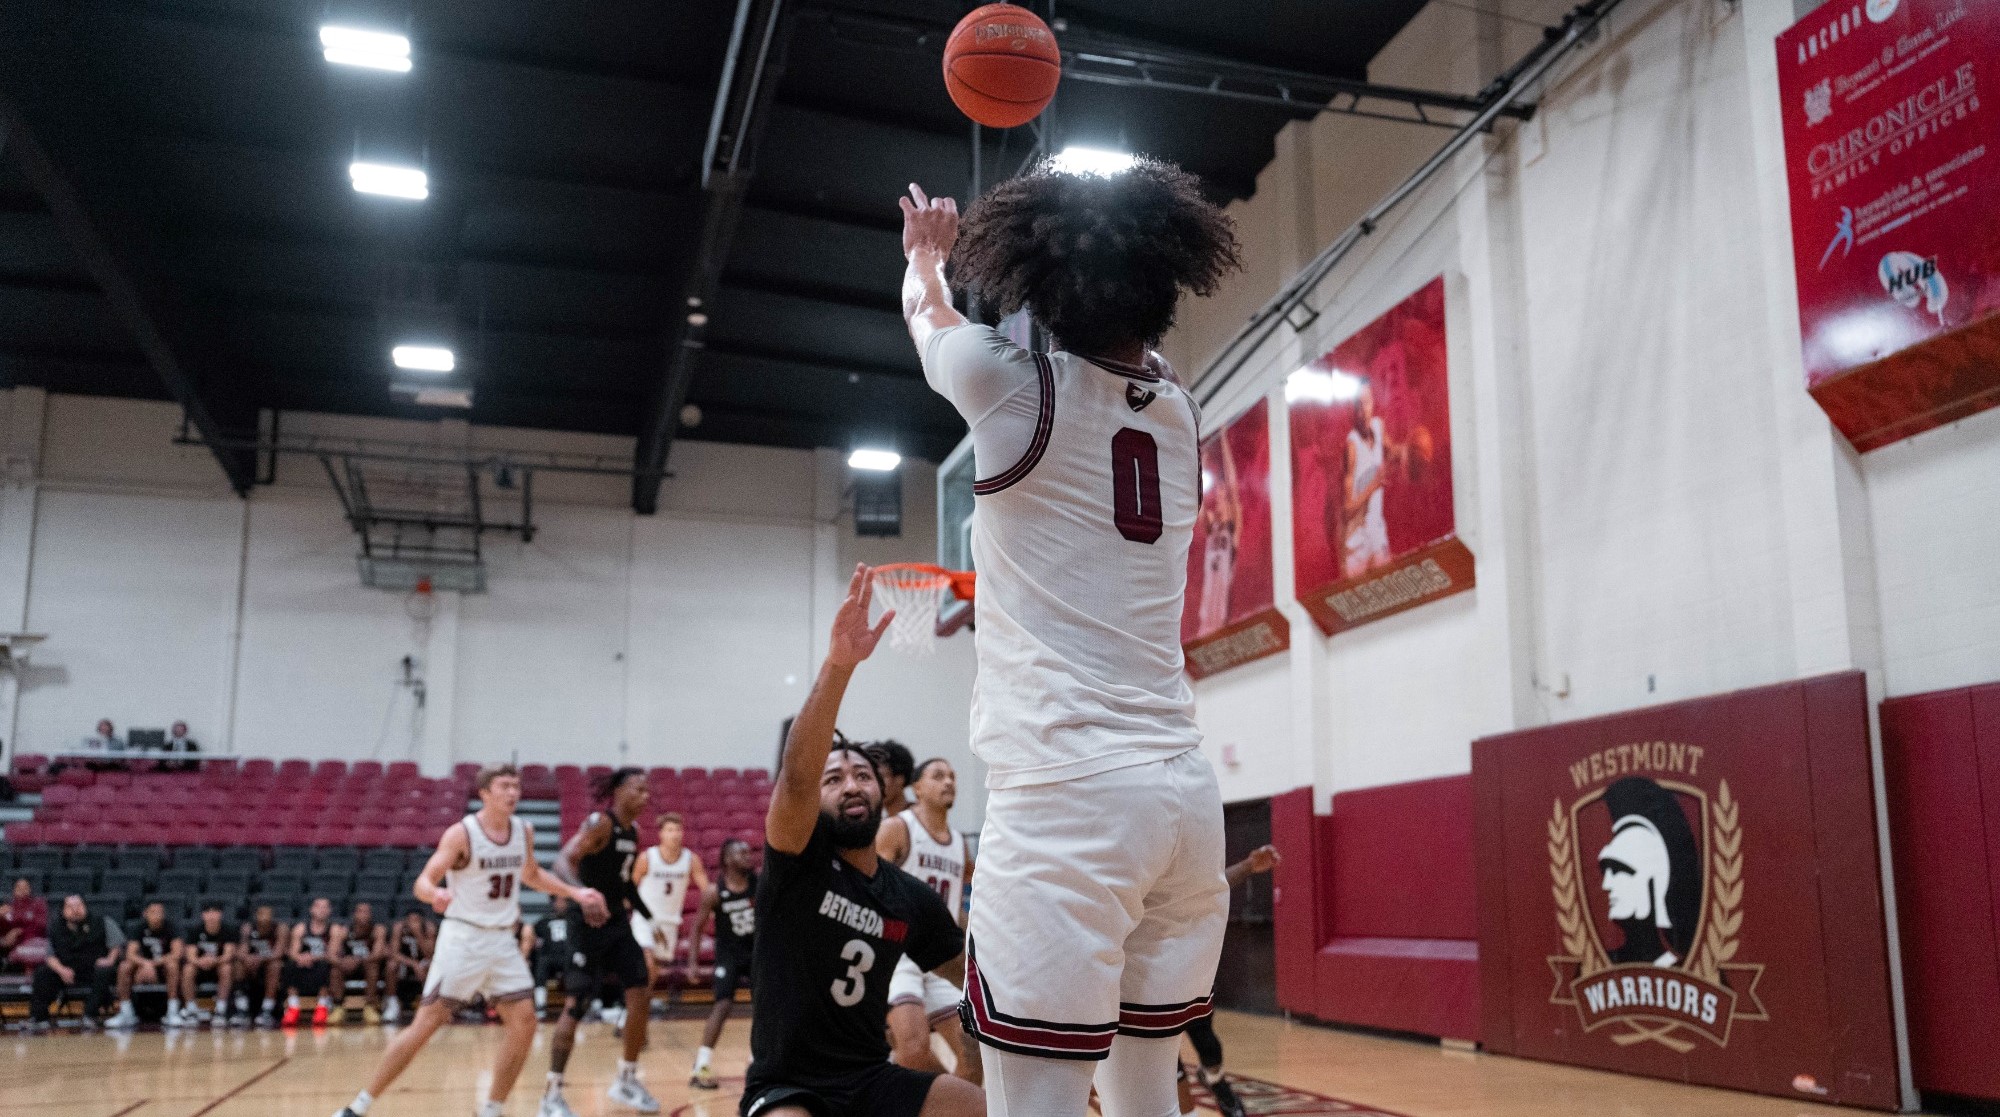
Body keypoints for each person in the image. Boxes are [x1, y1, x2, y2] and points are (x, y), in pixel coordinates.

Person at [901, 160, 1240, 1117]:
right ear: (1165, 285)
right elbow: (1133, 354)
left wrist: (929, 256)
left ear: (1038, 286)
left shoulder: (1010, 393)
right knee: (1146, 1103)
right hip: (1182, 798)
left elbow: (929, 319)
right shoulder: (1180, 412)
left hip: (1066, 801)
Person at [737, 563, 981, 1117]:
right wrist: (840, 665)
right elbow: (797, 775)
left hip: (869, 1077)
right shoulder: (797, 861)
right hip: (787, 1084)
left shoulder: (908, 897)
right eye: (834, 778)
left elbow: (968, 973)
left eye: (863, 775)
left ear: (883, 791)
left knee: (984, 1108)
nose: (851, 783)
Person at [332, 764, 607, 1117]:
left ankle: (492, 1109)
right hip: (464, 938)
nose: (513, 793)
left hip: (502, 941)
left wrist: (575, 892)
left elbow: (532, 874)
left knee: (524, 1021)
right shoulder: (462, 834)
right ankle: (359, 1106)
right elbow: (422, 882)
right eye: (505, 786)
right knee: (426, 1025)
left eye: (516, 786)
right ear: (485, 793)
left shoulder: (523, 830)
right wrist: (435, 894)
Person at [540, 767, 660, 1117]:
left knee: (640, 991)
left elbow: (624, 885)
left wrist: (650, 917)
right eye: (638, 789)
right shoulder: (600, 824)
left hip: (617, 925)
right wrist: (581, 895)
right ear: (619, 791)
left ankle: (625, 1079)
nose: (645, 796)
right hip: (587, 925)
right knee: (575, 1006)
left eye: (647, 790)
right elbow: (562, 860)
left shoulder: (633, 832)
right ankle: (551, 1095)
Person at [877, 757, 980, 1084]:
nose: (949, 781)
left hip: (941, 958)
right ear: (917, 788)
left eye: (952, 776)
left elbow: (964, 904)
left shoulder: (960, 844)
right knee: (913, 1048)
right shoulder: (897, 828)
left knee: (974, 1061)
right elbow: (869, 888)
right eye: (938, 776)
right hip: (899, 954)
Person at [1176, 846, 1280, 1117]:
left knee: (1208, 1045)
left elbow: (1216, 883)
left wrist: (1247, 866)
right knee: (1166, 1067)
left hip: (1191, 975)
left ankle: (1215, 1080)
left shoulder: (1186, 880)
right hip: (1146, 985)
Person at [684, 837, 756, 1090]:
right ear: (727, 859)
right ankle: (701, 1064)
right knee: (723, 1005)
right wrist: (692, 962)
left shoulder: (759, 885)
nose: (749, 856)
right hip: (729, 955)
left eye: (749, 852)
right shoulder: (714, 892)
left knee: (767, 1006)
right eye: (742, 853)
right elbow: (697, 929)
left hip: (756, 953)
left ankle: (757, 1062)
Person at [631, 812, 706, 994]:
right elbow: (630, 885)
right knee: (647, 961)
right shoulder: (647, 857)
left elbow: (705, 887)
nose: (675, 834)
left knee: (655, 967)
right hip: (645, 919)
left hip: (669, 921)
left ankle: (642, 1002)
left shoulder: (691, 859)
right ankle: (633, 1004)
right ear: (661, 834)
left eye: (678, 830)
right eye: (670, 830)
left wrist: (713, 908)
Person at [28, 895, 117, 1031]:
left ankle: (90, 1015)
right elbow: (50, 957)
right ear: (63, 910)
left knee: (105, 970)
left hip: (93, 970)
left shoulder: (102, 922)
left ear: (85, 907)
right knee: (42, 972)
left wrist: (110, 959)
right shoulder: (55, 927)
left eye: (79, 906)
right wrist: (61, 970)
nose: (75, 910)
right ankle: (39, 1018)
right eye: (70, 907)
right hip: (66, 971)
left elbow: (116, 945)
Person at [105, 899, 184, 1028]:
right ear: (145, 913)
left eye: (160, 912)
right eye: (153, 912)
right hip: (142, 968)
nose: (157, 915)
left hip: (162, 967)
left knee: (173, 965)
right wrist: (146, 964)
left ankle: (172, 1012)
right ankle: (126, 1013)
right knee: (124, 966)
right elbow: (130, 954)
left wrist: (152, 964)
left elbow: (177, 953)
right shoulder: (137, 928)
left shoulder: (172, 927)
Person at [1197, 433, 1242, 633]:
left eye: (1224, 494)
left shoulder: (1232, 531)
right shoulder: (1211, 527)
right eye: (1220, 493)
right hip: (1205, 616)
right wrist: (1202, 463)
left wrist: (1224, 437)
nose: (1221, 496)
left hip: (1222, 615)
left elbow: (1233, 486)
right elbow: (1197, 501)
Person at [284, 896, 343, 1026]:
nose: (321, 910)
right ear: (311, 910)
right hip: (304, 964)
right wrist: (300, 957)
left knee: (326, 965)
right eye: (318, 906)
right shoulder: (301, 928)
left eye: (325, 907)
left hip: (321, 963)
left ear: (329, 911)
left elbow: (331, 954)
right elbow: (293, 951)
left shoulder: (334, 929)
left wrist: (312, 957)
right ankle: (293, 1006)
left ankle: (322, 1006)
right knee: (290, 964)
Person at [179, 901, 236, 1026]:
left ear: (220, 914)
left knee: (226, 968)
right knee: (188, 969)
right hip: (200, 968)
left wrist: (214, 960)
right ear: (203, 915)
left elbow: (228, 954)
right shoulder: (195, 930)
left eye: (215, 912)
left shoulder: (228, 930)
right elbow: (190, 955)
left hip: (218, 967)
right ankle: (191, 1010)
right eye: (208, 912)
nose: (211, 915)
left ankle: (220, 1010)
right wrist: (201, 961)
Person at [332, 900, 390, 1023]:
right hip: (348, 966)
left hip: (367, 964)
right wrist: (342, 961)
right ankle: (338, 1007)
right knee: (335, 969)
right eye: (360, 911)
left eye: (367, 912)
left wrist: (358, 960)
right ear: (354, 914)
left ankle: (369, 1007)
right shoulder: (344, 930)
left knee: (372, 967)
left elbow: (377, 953)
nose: (364, 914)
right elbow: (331, 954)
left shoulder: (377, 929)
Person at [237, 903, 289, 1026]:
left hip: (269, 964)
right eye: (261, 914)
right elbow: (241, 951)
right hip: (252, 965)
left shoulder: (280, 928)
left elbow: (279, 952)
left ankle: (267, 1010)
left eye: (267, 914)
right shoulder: (248, 928)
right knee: (238, 964)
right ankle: (241, 1009)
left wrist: (260, 958)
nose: (264, 917)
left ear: (272, 916)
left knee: (275, 965)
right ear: (256, 915)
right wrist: (248, 958)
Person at [384, 909, 434, 1024]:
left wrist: (418, 934)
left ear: (422, 921)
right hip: (406, 962)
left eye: (416, 920)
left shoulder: (428, 928)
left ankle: (428, 1005)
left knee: (432, 967)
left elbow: (430, 954)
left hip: (423, 962)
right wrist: (413, 964)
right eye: (411, 920)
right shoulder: (399, 928)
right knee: (391, 965)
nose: (413, 923)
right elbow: (394, 953)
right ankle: (392, 1004)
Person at [525, 896, 570, 1019]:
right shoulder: (544, 921)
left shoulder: (572, 920)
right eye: (558, 901)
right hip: (549, 957)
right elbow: (531, 935)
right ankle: (540, 1004)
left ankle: (573, 1007)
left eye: (563, 901)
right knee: (542, 963)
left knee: (575, 966)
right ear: (553, 903)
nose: (561, 904)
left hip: (567, 957)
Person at [865, 741, 916, 816]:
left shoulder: (922, 818)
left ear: (900, 779)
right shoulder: (879, 823)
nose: (874, 785)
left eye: (880, 777)